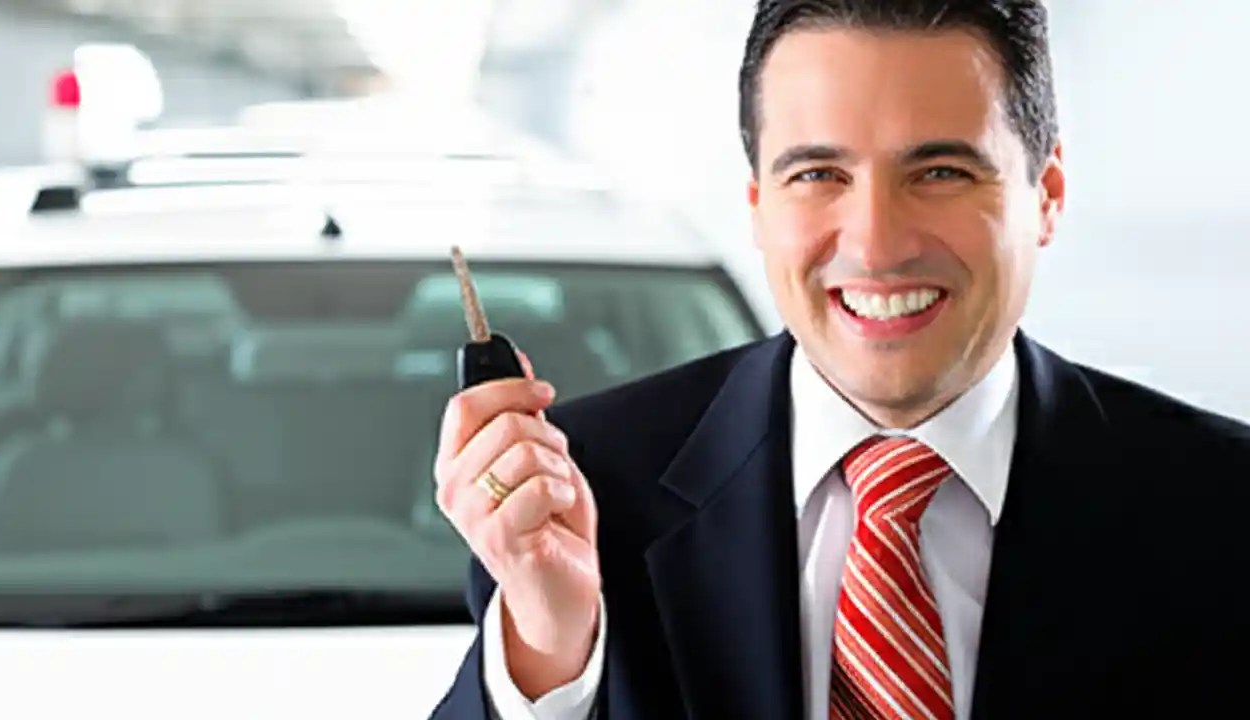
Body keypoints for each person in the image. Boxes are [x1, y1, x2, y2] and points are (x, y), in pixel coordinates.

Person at [429, 1, 1250, 718]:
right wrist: (548, 646)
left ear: (1047, 195)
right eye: (819, 173)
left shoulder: (1219, 510)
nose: (877, 245)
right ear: (757, 204)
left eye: (939, 171)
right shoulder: (588, 494)